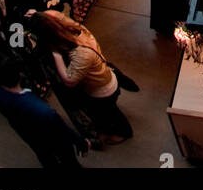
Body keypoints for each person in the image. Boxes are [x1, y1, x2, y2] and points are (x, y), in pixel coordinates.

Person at [24, 9, 133, 144]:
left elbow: (70, 80)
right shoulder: (74, 29)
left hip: (102, 90)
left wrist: (56, 55)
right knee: (109, 112)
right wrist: (38, 16)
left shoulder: (80, 53)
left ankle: (123, 133)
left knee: (110, 114)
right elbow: (57, 16)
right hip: (105, 79)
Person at [0, 54, 87, 168]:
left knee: (43, 154)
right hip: (53, 137)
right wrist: (81, 142)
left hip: (25, 131)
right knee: (67, 159)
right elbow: (63, 130)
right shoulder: (43, 111)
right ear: (20, 74)